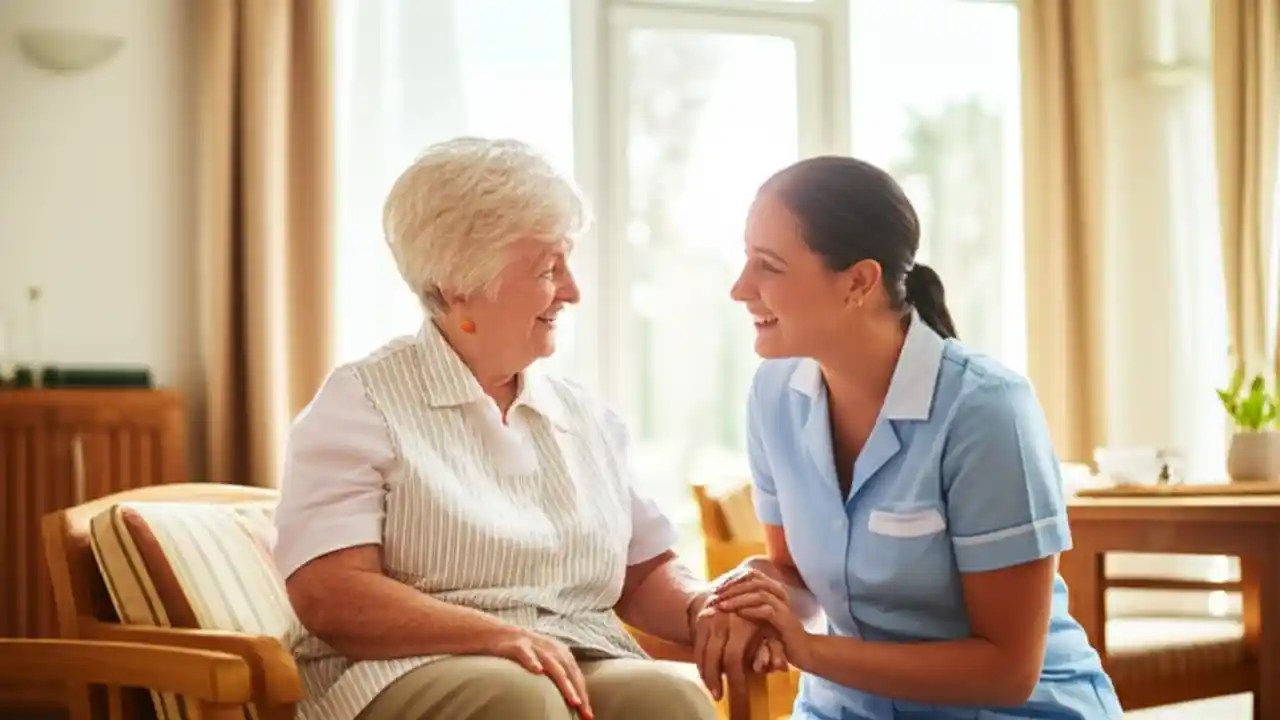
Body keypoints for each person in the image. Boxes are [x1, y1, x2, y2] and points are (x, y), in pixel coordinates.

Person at [272, 137, 769, 720]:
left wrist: (700, 608)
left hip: (570, 659)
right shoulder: (363, 403)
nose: (573, 290)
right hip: (405, 670)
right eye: (547, 268)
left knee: (669, 697)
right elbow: (330, 594)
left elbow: (642, 572)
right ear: (462, 283)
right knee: (521, 699)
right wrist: (493, 635)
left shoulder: (582, 416)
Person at [712, 156, 1123, 719]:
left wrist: (811, 651)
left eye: (769, 266)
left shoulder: (985, 409)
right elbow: (794, 576)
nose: (740, 288)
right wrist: (749, 593)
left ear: (858, 281)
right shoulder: (774, 394)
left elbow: (1007, 671)